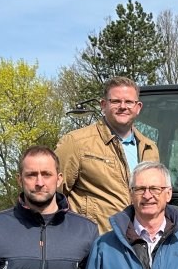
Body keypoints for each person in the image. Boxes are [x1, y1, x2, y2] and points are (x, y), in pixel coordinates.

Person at [56, 76, 160, 233]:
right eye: (116, 101)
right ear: (103, 105)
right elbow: (52, 192)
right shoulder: (76, 142)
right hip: (91, 245)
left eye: (129, 102)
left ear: (138, 107)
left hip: (137, 243)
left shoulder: (149, 148)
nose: (123, 107)